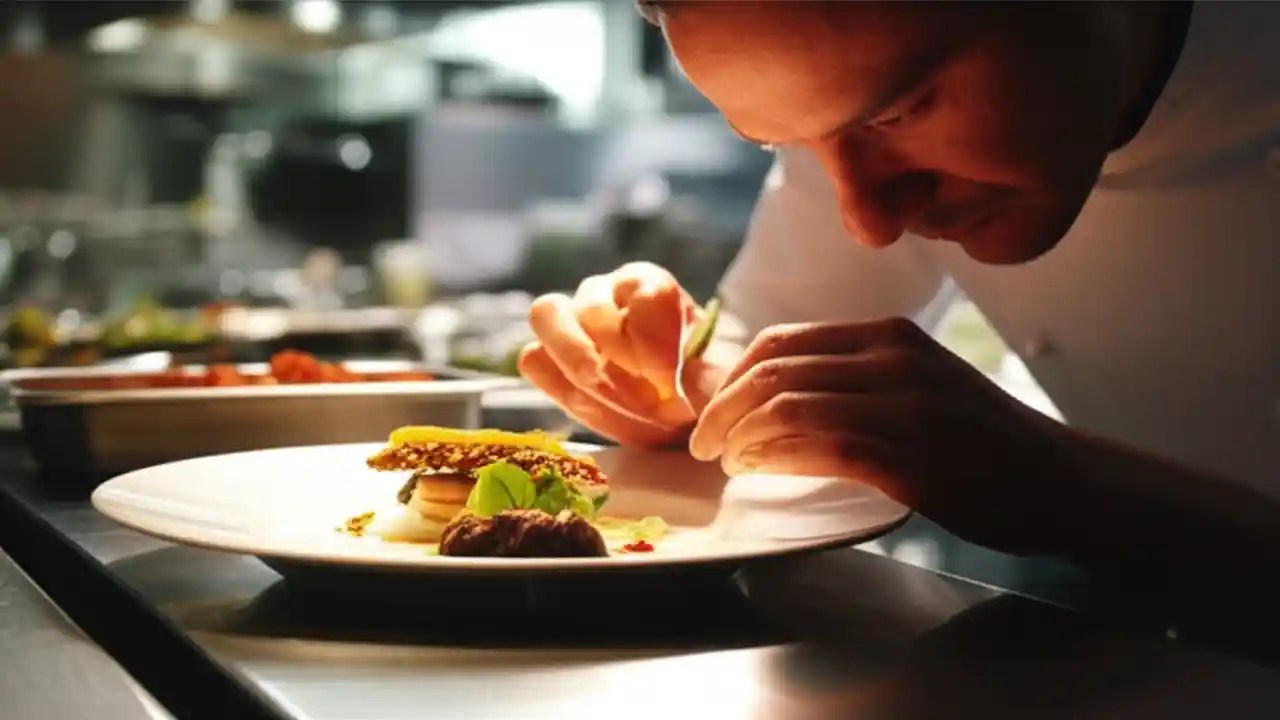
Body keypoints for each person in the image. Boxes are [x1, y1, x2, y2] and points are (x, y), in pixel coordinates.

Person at [520, 1, 1279, 620]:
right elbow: (759, 352)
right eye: (786, 140)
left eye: (899, 111)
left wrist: (1073, 493)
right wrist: (677, 377)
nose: (868, 218)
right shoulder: (859, 142)